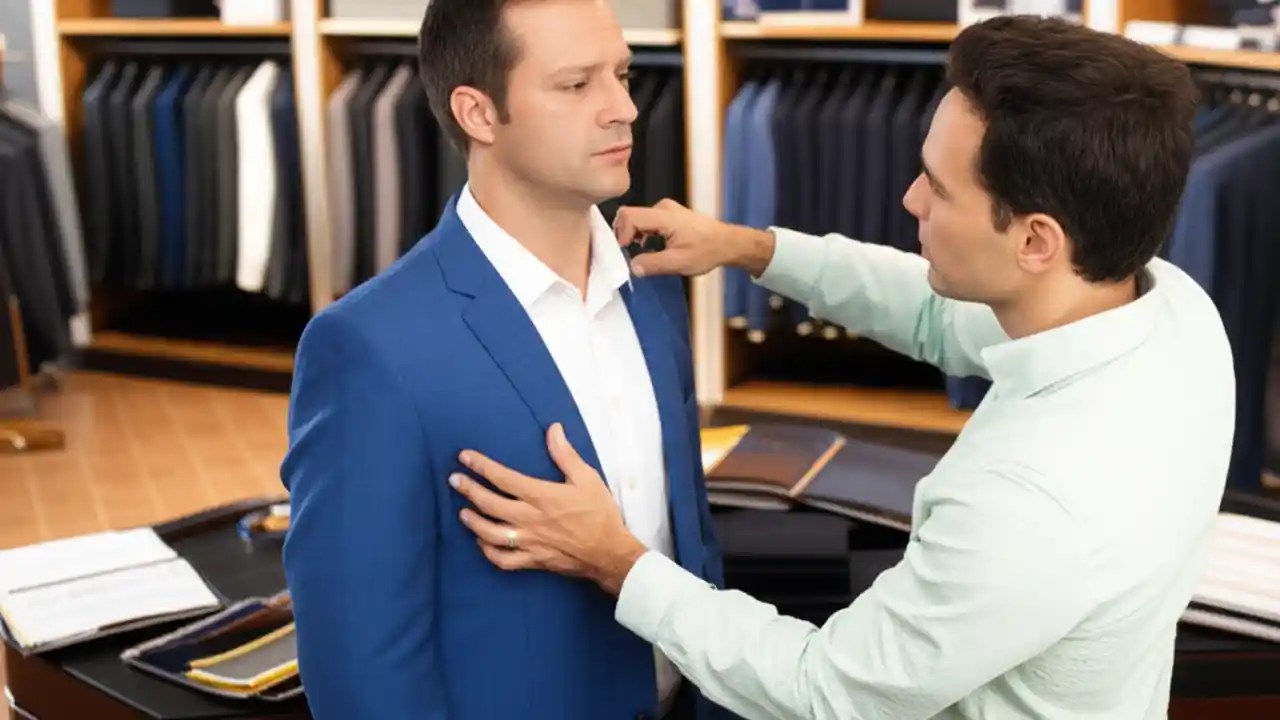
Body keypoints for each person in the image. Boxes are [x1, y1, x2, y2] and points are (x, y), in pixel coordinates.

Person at [448, 15, 1237, 720]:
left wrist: (618, 560)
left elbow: (828, 690)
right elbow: (936, 312)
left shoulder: (1027, 508)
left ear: (1035, 240)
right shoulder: (1173, 312)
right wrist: (749, 249)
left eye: (938, 188)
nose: (907, 200)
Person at [279, 1, 727, 718]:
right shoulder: (370, 347)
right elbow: (361, 667)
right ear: (479, 113)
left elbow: (689, 539)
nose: (624, 109)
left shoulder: (654, 288)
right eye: (577, 85)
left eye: (622, 74)